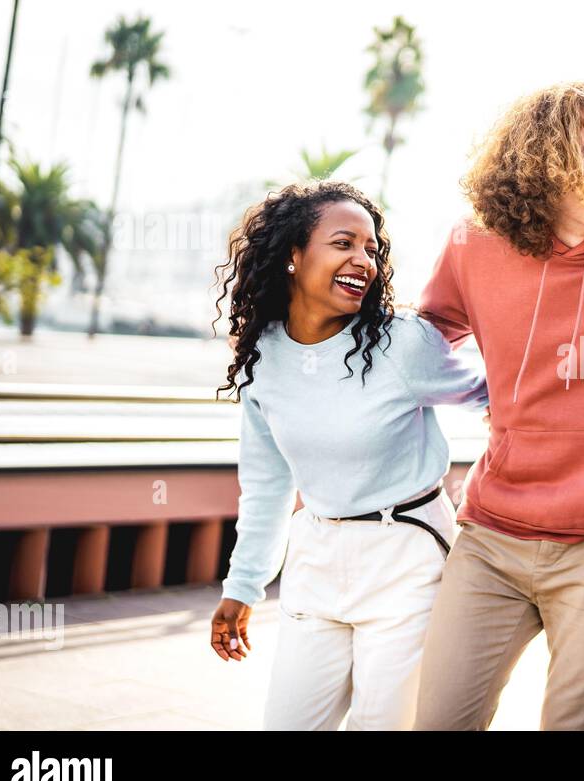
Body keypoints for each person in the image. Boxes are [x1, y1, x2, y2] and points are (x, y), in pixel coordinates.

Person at [412, 81, 584, 730]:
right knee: (439, 718)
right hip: (490, 533)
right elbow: (416, 348)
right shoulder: (472, 247)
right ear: (542, 163)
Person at [208, 180, 488, 730]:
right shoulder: (261, 358)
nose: (364, 260)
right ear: (293, 254)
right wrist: (242, 588)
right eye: (344, 244)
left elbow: (500, 395)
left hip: (407, 557)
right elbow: (266, 487)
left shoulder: (401, 343)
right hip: (316, 558)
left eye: (372, 249)